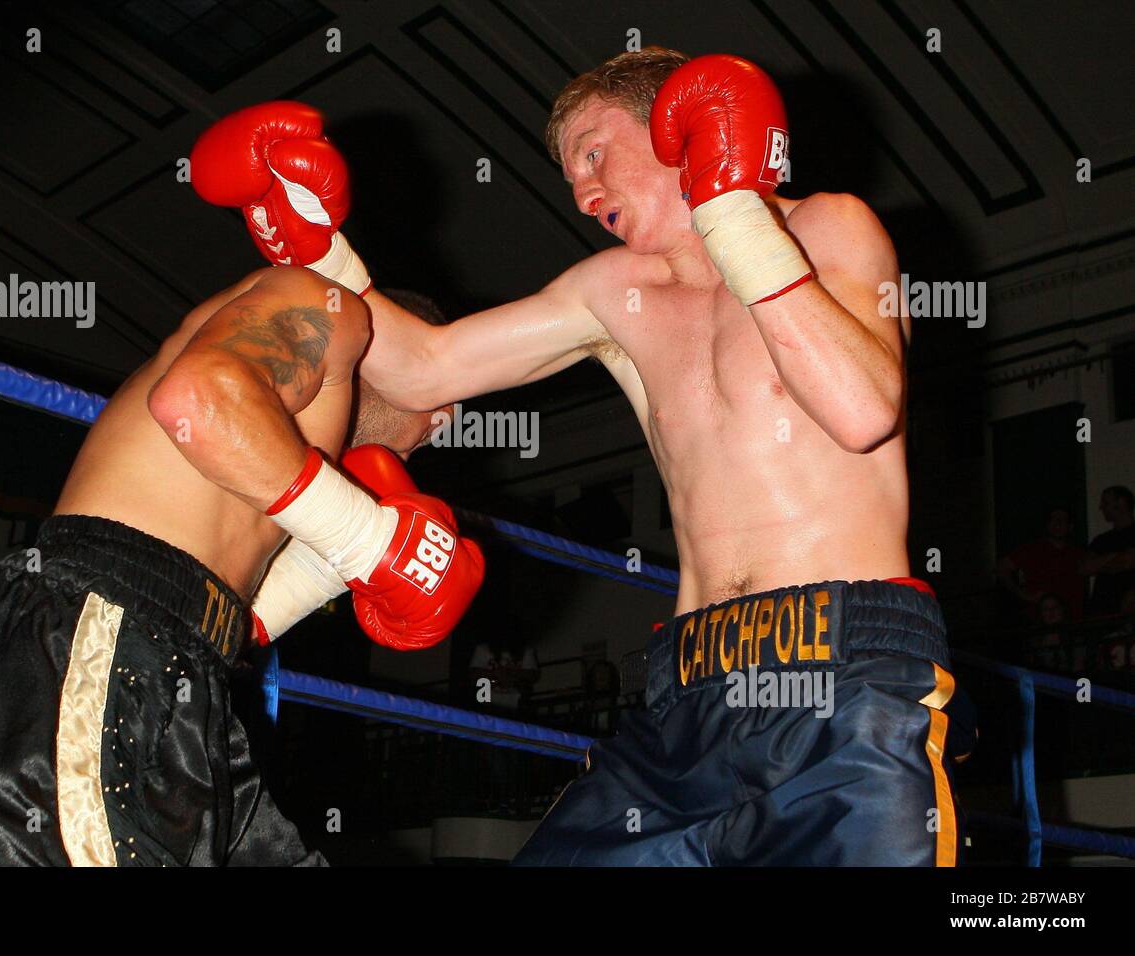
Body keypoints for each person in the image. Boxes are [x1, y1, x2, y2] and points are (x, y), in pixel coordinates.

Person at [197, 51, 975, 865]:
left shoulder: (828, 226)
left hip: (844, 672)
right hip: (687, 690)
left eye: (595, 153)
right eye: (570, 174)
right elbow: (426, 366)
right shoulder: (615, 291)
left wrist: (734, 212)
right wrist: (317, 248)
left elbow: (861, 410)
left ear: (679, 126)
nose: (582, 190)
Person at [0, 112, 484, 865]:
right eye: (443, 416)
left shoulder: (297, 459)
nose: (435, 436)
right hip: (102, 630)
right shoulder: (327, 309)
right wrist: (364, 538)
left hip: (181, 660)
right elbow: (199, 402)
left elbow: (237, 618)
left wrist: (334, 560)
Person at [996, 508, 1086, 624]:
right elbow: (1001, 568)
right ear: (1047, 524)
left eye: (1062, 520)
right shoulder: (1033, 549)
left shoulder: (1079, 553)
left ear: (1070, 526)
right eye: (1053, 520)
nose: (1057, 523)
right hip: (1039, 619)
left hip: (1072, 619)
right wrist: (1022, 594)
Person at [1080, 486, 1135, 617]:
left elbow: (1128, 561)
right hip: (1101, 611)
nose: (1101, 507)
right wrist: (1116, 555)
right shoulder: (1101, 540)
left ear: (1121, 502)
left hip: (1127, 612)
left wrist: (1098, 564)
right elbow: (1083, 568)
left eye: (1105, 503)